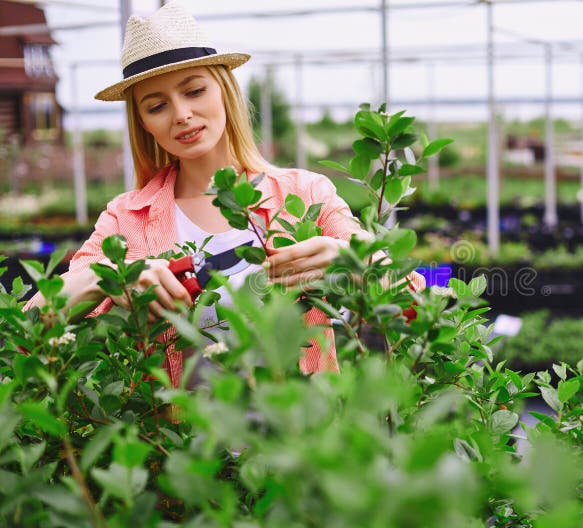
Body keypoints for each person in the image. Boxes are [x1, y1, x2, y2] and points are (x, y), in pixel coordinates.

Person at [26, 1, 422, 387]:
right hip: (178, 446)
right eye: (157, 105)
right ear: (143, 122)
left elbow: (417, 309)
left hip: (300, 444)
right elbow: (31, 325)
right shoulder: (128, 219)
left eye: (194, 91)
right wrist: (114, 277)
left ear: (224, 91)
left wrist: (358, 262)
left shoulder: (305, 194)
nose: (181, 113)